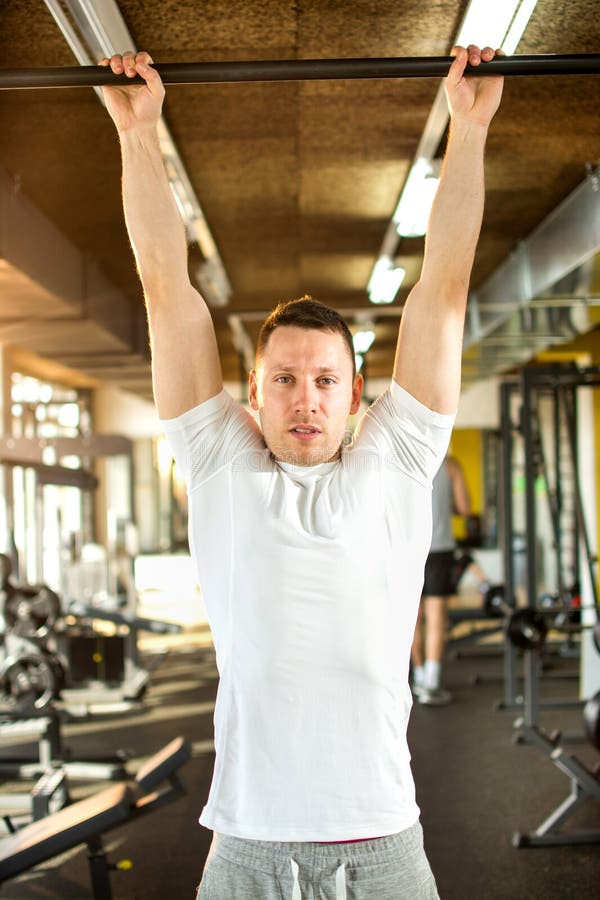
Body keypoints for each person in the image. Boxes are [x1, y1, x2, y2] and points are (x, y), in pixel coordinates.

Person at [101, 44, 503, 900]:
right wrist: (139, 136)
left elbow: (445, 288)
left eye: (325, 380)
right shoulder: (219, 458)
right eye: (283, 379)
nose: (305, 399)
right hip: (247, 847)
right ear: (253, 392)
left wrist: (469, 131)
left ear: (358, 394)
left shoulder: (399, 456)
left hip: (385, 846)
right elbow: (165, 289)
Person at [411, 454, 471, 705]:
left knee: (412, 618)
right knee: (436, 617)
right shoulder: (451, 465)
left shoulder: (404, 459)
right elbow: (465, 508)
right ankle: (432, 681)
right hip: (440, 550)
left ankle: (418, 674)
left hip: (408, 549)